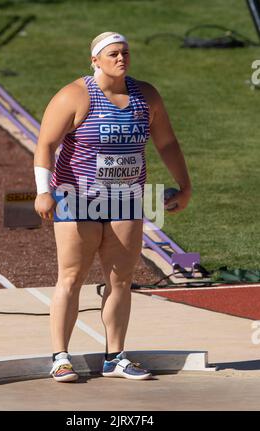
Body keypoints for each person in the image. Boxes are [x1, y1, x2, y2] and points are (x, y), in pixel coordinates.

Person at [34, 32, 192, 383]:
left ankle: (115, 356)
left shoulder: (145, 95)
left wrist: (185, 186)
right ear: (95, 60)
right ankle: (60, 357)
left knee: (121, 279)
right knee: (71, 278)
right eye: (113, 54)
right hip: (78, 198)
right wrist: (43, 191)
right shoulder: (74, 95)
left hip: (126, 199)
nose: (121, 59)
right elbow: (46, 143)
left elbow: (166, 142)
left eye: (125, 53)